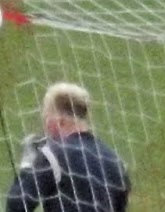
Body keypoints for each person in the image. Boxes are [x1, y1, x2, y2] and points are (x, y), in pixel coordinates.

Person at [6, 83, 129, 212]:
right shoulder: (116, 163)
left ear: (60, 121)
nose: (45, 126)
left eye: (47, 118)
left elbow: (18, 205)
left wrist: (27, 164)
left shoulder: (53, 154)